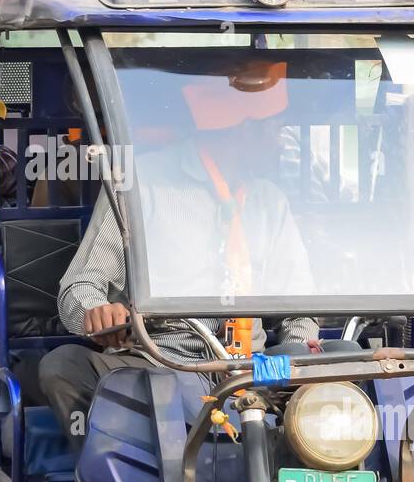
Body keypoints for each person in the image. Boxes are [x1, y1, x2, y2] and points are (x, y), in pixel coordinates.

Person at [38, 61, 319, 441]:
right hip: (161, 366)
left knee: (345, 361)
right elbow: (81, 285)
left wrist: (297, 350)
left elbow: (299, 309)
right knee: (62, 366)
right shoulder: (140, 186)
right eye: (271, 127)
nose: (281, 138)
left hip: (254, 371)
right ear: (236, 130)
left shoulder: (272, 202)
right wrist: (96, 312)